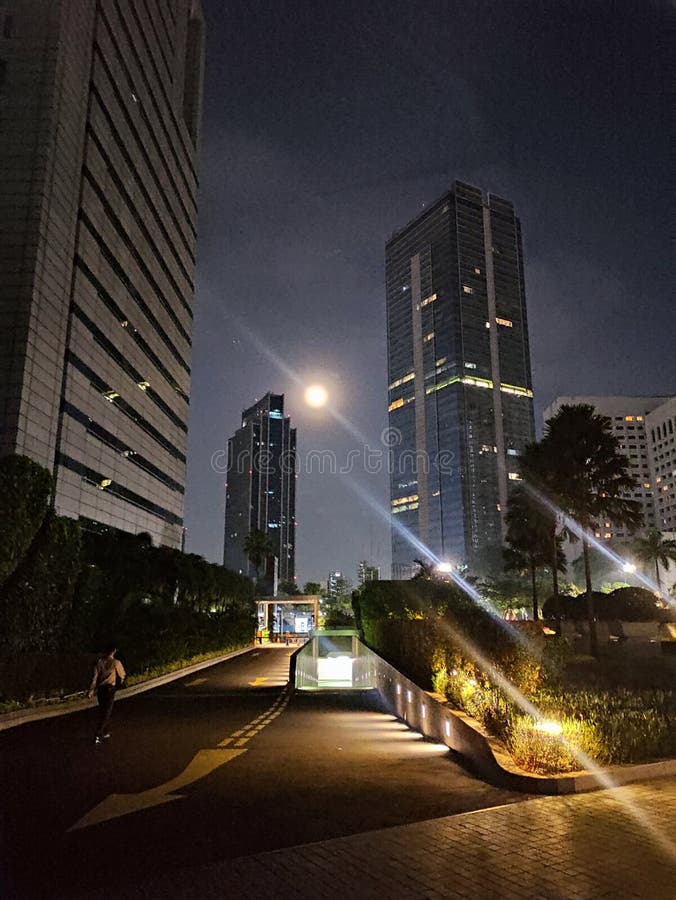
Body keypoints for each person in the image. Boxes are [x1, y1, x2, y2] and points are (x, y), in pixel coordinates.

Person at [88, 644, 126, 745]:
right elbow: (122, 675)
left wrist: (91, 690)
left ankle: (105, 731)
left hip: (101, 689)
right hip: (110, 689)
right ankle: (98, 734)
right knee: (107, 712)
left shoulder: (99, 662)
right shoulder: (116, 662)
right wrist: (120, 683)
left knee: (103, 710)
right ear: (114, 651)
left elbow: (94, 678)